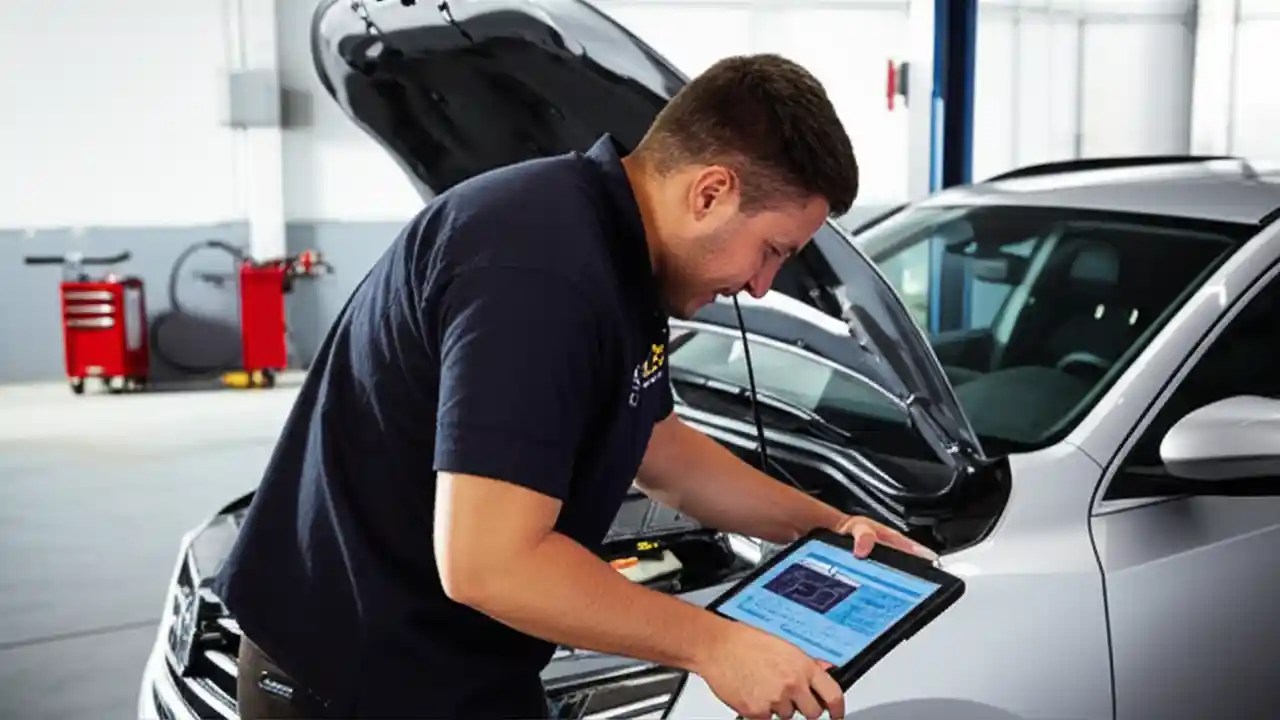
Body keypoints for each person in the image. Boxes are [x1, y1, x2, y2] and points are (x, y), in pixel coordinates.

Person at [213, 53, 938, 720]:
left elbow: (660, 450)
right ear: (711, 192)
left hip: (458, 664)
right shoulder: (539, 272)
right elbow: (488, 564)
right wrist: (716, 645)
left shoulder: (618, 253)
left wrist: (825, 526)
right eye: (772, 250)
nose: (761, 286)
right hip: (354, 681)